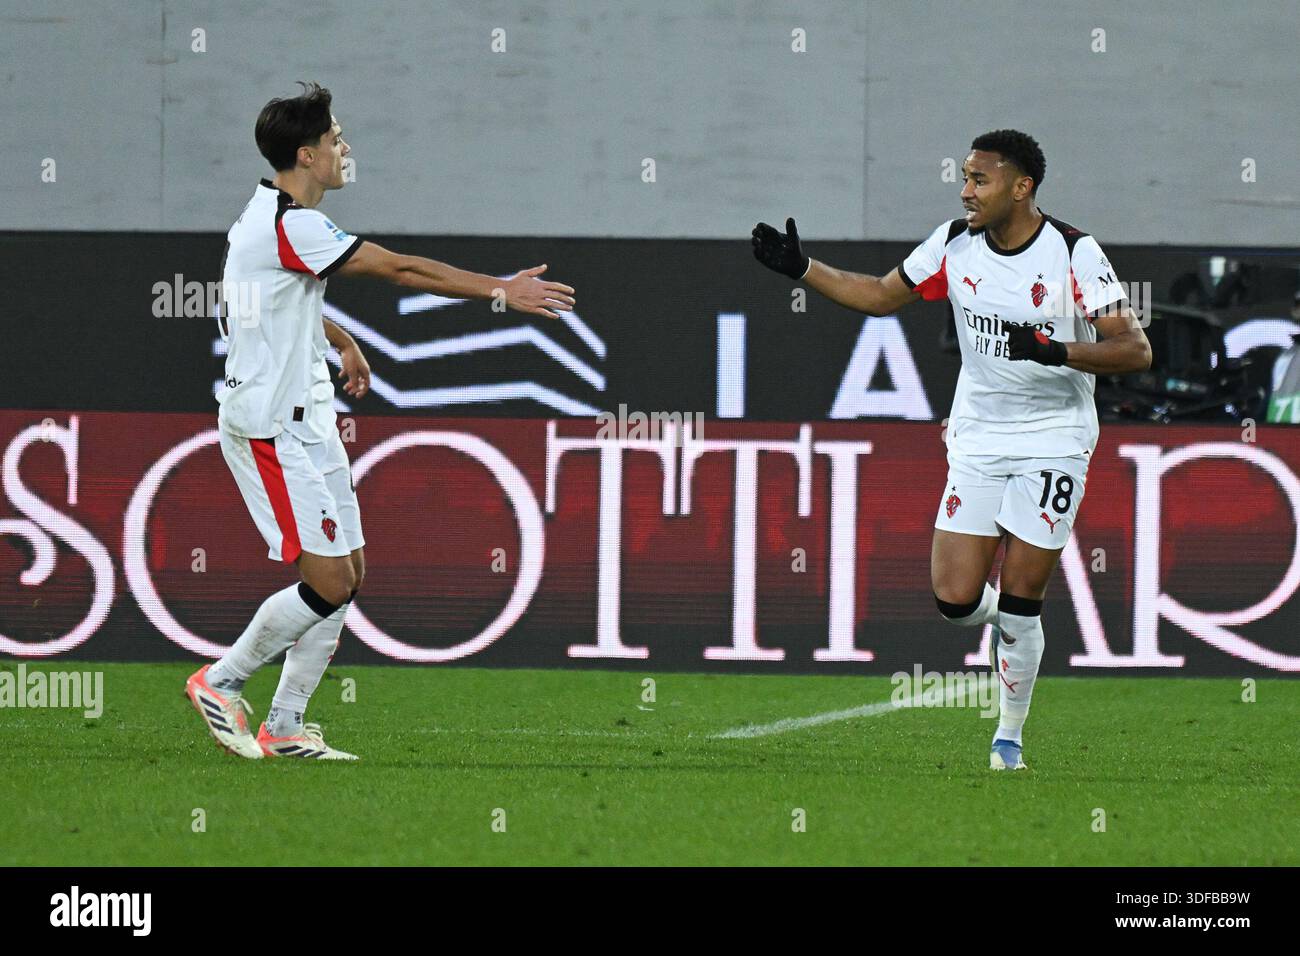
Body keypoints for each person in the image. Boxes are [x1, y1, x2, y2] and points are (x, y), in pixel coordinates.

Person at [187, 81, 576, 759]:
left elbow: (263, 304)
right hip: (266, 426)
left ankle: (284, 726)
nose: (345, 148)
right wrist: (499, 290)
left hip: (305, 420)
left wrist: (337, 338)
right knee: (328, 581)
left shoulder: (266, 220)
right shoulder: (290, 224)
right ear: (307, 155)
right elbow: (398, 268)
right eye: (335, 138)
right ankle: (221, 682)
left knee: (352, 570)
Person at [752, 129, 1151, 770]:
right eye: (964, 177)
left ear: (1022, 187)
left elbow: (1135, 349)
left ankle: (1009, 739)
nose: (966, 191)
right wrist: (803, 269)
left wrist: (1057, 351)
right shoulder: (954, 244)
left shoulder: (1074, 253)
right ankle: (1016, 627)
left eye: (980, 179)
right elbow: (881, 295)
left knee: (1023, 594)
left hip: (1054, 439)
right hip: (978, 436)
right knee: (955, 599)